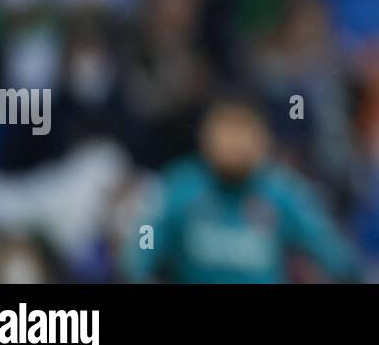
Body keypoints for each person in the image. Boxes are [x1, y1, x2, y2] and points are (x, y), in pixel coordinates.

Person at [121, 96, 357, 283]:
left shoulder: (283, 192)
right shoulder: (180, 188)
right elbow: (142, 244)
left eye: (243, 129)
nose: (234, 142)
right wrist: (140, 268)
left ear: (263, 138)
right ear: (206, 135)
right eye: (226, 129)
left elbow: (334, 253)